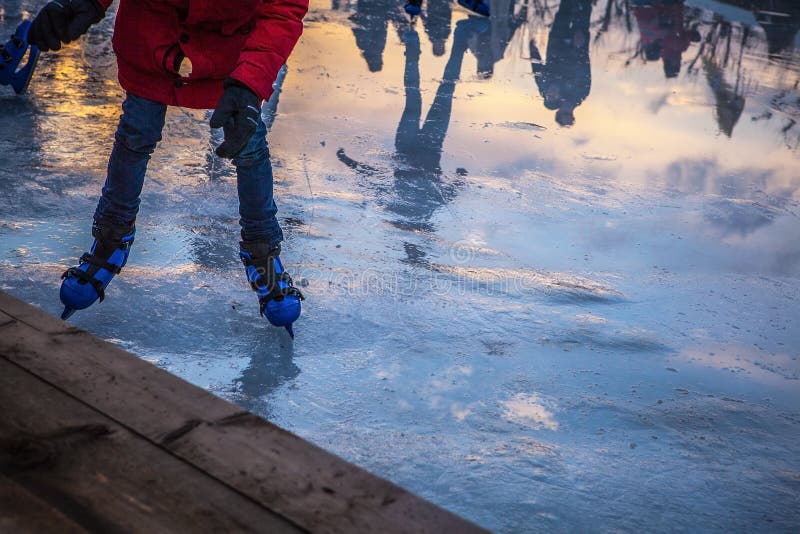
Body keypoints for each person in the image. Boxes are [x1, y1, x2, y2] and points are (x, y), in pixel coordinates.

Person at [27, 0, 308, 337]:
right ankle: (112, 236)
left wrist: (250, 82)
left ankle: (262, 248)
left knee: (248, 144)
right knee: (135, 133)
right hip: (152, 37)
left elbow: (283, 7)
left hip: (231, 55)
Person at [530, 0, 592, 127]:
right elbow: (585, 69)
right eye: (569, 115)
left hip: (556, 42)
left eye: (564, 115)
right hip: (577, 44)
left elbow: (537, 68)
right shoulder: (579, 94)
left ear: (558, 112)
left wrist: (533, 50)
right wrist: (579, 48)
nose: (567, 112)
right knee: (584, 10)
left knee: (565, 9)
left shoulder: (545, 90)